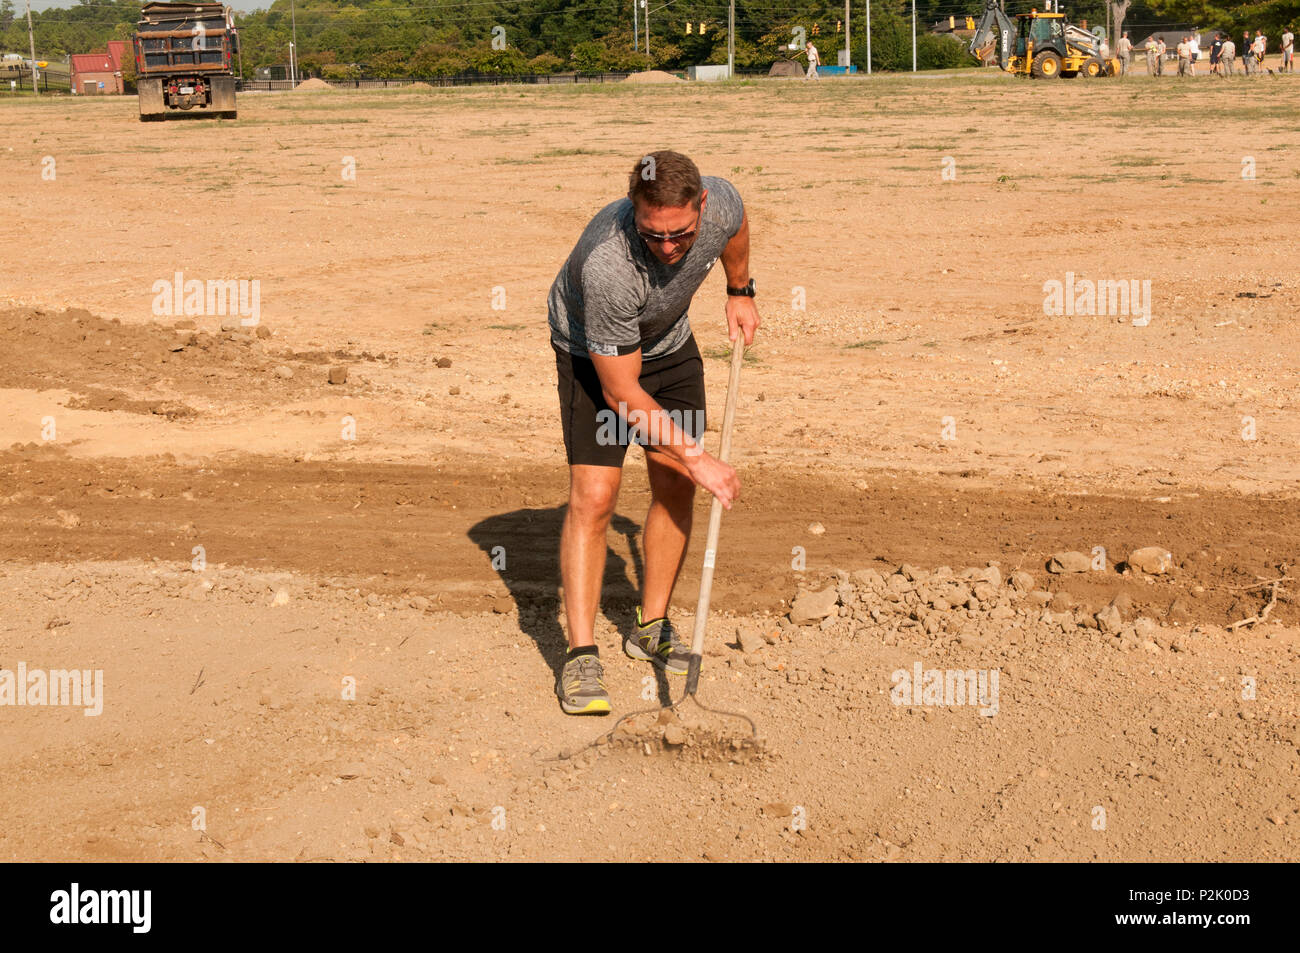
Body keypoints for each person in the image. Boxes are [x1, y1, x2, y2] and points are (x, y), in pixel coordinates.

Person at [546, 150, 758, 715]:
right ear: (634, 211)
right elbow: (623, 397)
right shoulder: (609, 264)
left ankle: (651, 627)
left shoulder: (722, 203)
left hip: (667, 346)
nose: (667, 247)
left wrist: (740, 289)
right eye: (653, 233)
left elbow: (736, 226)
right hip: (596, 362)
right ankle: (582, 653)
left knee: (673, 484)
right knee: (595, 497)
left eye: (680, 233)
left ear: (700, 206)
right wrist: (700, 457)